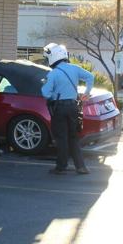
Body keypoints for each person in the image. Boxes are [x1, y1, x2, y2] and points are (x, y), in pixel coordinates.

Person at [41, 43, 94, 175]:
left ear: (53, 57)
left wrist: (48, 88)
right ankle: (80, 166)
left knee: (61, 138)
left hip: (59, 108)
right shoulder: (75, 68)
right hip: (74, 107)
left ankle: (61, 166)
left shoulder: (53, 74)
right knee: (73, 137)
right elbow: (90, 77)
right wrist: (86, 93)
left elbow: (45, 93)